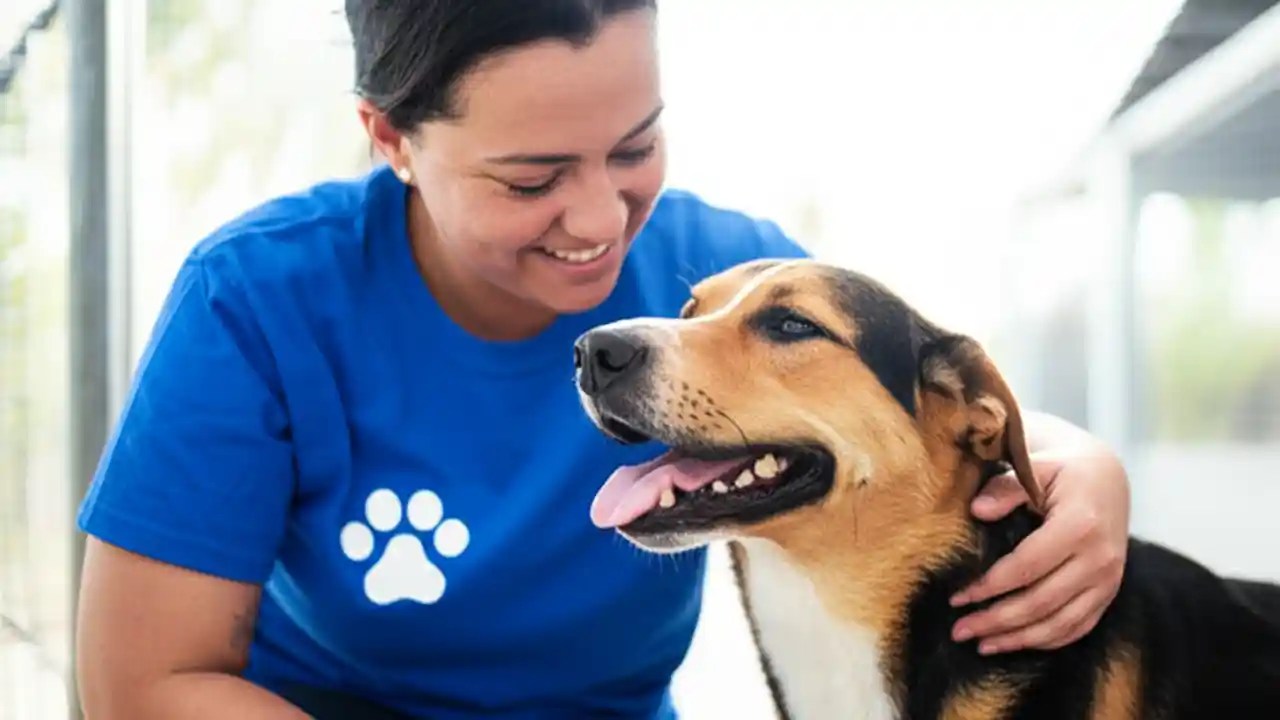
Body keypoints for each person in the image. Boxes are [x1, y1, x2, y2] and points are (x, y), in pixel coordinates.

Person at [73, 2, 1131, 719]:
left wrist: (1080, 463)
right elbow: (142, 683)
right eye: (531, 179)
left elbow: (896, 409)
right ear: (388, 137)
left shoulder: (720, 281)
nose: (596, 220)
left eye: (634, 148)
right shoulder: (257, 299)